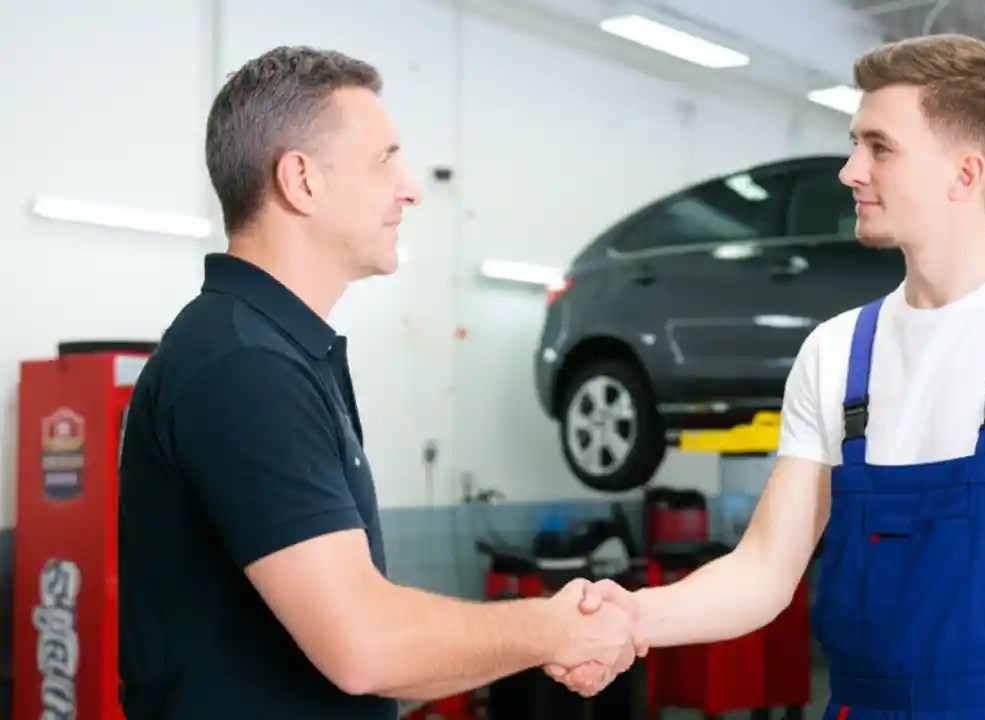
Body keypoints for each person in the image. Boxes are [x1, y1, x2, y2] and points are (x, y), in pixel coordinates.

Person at [553, 33, 985, 718]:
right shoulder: (835, 351)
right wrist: (631, 615)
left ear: (965, 174)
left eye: (879, 148)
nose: (851, 170)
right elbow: (764, 570)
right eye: (857, 143)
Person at [117, 46, 643, 719]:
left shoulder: (273, 350)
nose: (411, 187)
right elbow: (366, 646)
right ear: (301, 181)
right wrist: (558, 629)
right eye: (384, 160)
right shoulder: (242, 366)